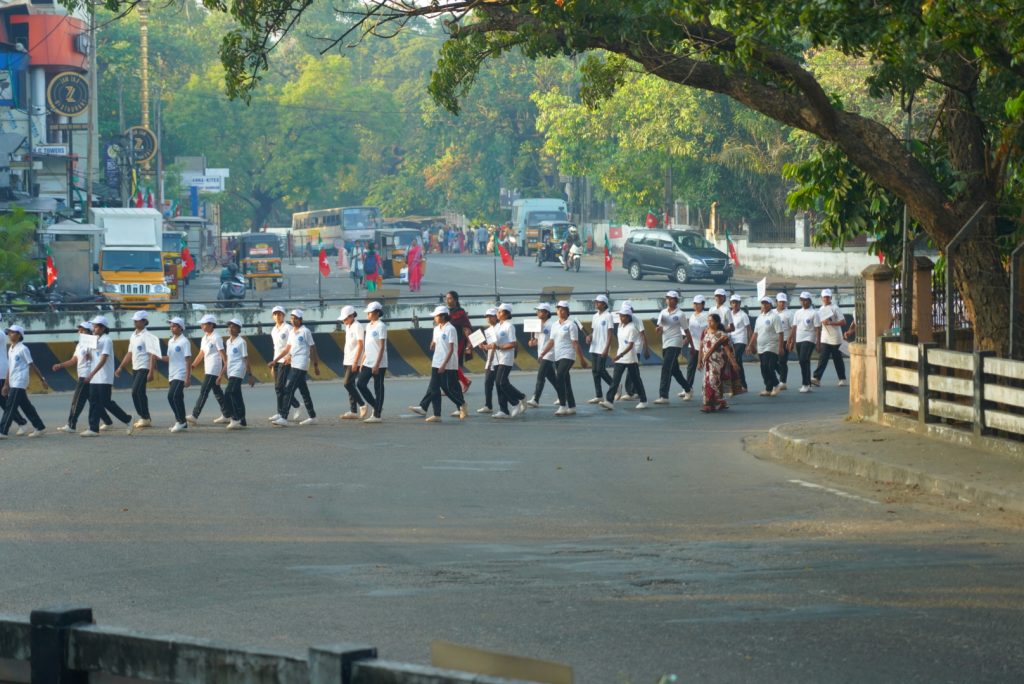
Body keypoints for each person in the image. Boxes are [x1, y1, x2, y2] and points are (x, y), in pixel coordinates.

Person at [53, 322, 112, 433]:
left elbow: (99, 356)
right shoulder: (80, 345)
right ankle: (108, 421)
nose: (79, 331)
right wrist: (60, 365)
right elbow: (73, 360)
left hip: (87, 376)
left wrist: (91, 355)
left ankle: (71, 425)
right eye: (79, 329)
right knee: (93, 401)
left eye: (82, 329)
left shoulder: (95, 343)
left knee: (77, 401)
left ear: (89, 331)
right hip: (83, 375)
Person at [411, 305, 467, 422]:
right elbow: (435, 342)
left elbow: (451, 349)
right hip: (436, 361)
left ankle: (461, 404)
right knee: (434, 388)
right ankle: (437, 414)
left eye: (436, 316)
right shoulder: (436, 329)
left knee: (447, 388)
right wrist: (433, 344)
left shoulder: (450, 329)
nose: (434, 318)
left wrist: (443, 365)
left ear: (443, 316)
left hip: (448, 363)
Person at [81, 316, 135, 438]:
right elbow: (93, 357)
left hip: (104, 377)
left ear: (102, 328)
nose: (93, 328)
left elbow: (103, 359)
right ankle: (93, 428)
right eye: (93, 326)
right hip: (95, 377)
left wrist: (91, 374)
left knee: (106, 402)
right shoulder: (95, 339)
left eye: (95, 326)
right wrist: (88, 355)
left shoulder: (107, 340)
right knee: (93, 402)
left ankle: (128, 419)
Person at [269, 309, 320, 427]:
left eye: (295, 318)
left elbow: (313, 348)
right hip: (294, 363)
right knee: (304, 392)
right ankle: (313, 417)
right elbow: (287, 349)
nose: (292, 320)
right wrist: (275, 361)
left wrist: (316, 365)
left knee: (288, 390)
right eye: (291, 318)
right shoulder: (292, 332)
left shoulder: (305, 331)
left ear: (300, 320)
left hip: (302, 364)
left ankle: (283, 417)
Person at [539, 301, 589, 416]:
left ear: (567, 311)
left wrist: (582, 359)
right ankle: (572, 406)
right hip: (558, 356)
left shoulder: (571, 325)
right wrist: (543, 353)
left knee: (559, 376)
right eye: (558, 309)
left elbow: (575, 343)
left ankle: (562, 405)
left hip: (568, 355)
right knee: (566, 381)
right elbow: (551, 341)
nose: (560, 311)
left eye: (562, 309)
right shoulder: (555, 325)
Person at [0, 324, 47, 439]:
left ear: (19, 335)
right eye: (9, 332)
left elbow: (32, 365)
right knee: (26, 406)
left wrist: (42, 380)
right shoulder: (11, 348)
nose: (9, 335)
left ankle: (3, 431)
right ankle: (40, 427)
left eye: (12, 332)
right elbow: (10, 368)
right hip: (13, 381)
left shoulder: (23, 349)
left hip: (20, 381)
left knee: (10, 406)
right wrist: (6, 384)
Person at [599, 307, 648, 410]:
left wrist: (620, 355)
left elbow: (630, 346)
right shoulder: (620, 326)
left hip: (630, 358)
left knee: (636, 380)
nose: (621, 318)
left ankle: (643, 400)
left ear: (628, 317)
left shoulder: (632, 328)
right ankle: (609, 401)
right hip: (620, 359)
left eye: (623, 316)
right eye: (620, 316)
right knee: (615, 380)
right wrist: (619, 355)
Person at [114, 310, 156, 429]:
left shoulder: (148, 336)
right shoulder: (133, 335)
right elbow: (130, 353)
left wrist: (151, 371)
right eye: (134, 320)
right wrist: (120, 367)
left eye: (137, 321)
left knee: (135, 391)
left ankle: (144, 417)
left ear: (144, 321)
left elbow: (152, 355)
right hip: (135, 367)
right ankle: (145, 418)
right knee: (140, 393)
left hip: (144, 367)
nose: (135, 322)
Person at [189, 314, 230, 425]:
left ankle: (194, 415)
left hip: (214, 368)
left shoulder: (217, 337)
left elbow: (223, 355)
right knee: (217, 392)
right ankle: (227, 414)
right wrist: (193, 365)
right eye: (201, 324)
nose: (202, 326)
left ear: (211, 325)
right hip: (208, 368)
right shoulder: (204, 338)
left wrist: (223, 371)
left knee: (204, 391)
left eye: (204, 324)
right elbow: (201, 353)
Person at [489, 303, 526, 418]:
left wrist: (499, 347)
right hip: (497, 358)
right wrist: (485, 346)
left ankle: (516, 401)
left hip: (506, 357)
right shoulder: (497, 326)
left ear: (506, 314)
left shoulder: (509, 326)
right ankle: (504, 410)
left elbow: (513, 343)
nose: (497, 313)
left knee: (502, 382)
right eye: (497, 311)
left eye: (500, 312)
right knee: (498, 384)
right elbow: (494, 344)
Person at [698, 313, 740, 412]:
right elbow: (701, 346)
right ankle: (719, 402)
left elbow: (728, 350)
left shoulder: (722, 335)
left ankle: (709, 404)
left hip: (718, 362)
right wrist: (699, 361)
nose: (709, 323)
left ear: (717, 323)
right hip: (707, 362)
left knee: (713, 381)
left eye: (711, 321)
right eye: (708, 321)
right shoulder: (705, 332)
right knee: (707, 381)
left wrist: (734, 363)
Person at [654, 290, 690, 404]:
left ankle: (663, 396)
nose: (669, 301)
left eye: (672, 299)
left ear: (676, 301)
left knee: (666, 367)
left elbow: (686, 330)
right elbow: (659, 327)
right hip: (666, 343)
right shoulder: (663, 312)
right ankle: (688, 389)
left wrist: (692, 346)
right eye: (668, 298)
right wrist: (658, 329)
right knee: (674, 370)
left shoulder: (680, 314)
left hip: (675, 343)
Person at [268, 305, 301, 423]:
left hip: (286, 361)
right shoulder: (273, 330)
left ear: (283, 315)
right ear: (273, 316)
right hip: (277, 361)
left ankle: (295, 406)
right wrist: (273, 364)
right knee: (278, 388)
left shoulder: (288, 328)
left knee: (279, 386)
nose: (277, 316)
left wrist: (290, 356)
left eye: (279, 314)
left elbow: (293, 344)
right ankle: (280, 412)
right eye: (275, 314)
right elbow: (275, 348)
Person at [357, 301, 388, 423]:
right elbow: (368, 345)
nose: (367, 314)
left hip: (379, 363)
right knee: (360, 384)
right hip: (368, 361)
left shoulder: (381, 326)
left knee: (378, 388)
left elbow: (382, 347)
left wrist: (377, 364)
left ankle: (377, 415)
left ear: (376, 313)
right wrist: (363, 360)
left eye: (369, 313)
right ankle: (376, 406)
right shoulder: (368, 326)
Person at [748, 296, 785, 397]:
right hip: (761, 347)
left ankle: (776, 384)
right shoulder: (759, 317)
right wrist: (750, 344)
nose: (764, 305)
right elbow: (755, 333)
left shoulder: (774, 317)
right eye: (763, 303)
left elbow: (780, 333)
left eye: (766, 303)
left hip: (772, 346)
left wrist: (780, 347)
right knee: (763, 368)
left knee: (769, 367)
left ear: (770, 305)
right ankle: (768, 388)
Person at [223, 318, 255, 429]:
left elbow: (246, 359)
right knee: (237, 396)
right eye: (229, 326)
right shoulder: (228, 342)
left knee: (228, 393)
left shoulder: (241, 342)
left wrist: (250, 375)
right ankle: (242, 420)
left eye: (233, 327)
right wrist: (222, 373)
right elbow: (228, 359)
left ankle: (235, 418)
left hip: (238, 371)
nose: (231, 329)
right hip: (230, 371)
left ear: (238, 329)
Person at [162, 317, 192, 433]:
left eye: (174, 326)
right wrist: (158, 357)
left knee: (172, 396)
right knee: (178, 398)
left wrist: (187, 378)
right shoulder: (171, 341)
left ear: (181, 328)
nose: (171, 328)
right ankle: (182, 422)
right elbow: (169, 358)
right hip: (172, 374)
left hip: (181, 373)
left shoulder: (184, 342)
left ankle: (181, 421)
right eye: (171, 326)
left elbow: (188, 360)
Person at [813, 288, 848, 387]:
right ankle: (817, 378)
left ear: (831, 298)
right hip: (825, 338)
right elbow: (819, 324)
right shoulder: (820, 309)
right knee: (823, 358)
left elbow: (843, 322)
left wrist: (830, 323)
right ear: (821, 298)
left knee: (837, 359)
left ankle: (842, 379)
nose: (826, 299)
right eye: (824, 297)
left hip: (836, 338)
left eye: (828, 297)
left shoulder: (835, 308)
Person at [338, 305, 367, 420]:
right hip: (347, 359)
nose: (343, 321)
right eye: (343, 319)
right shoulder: (348, 326)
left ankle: (362, 404)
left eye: (345, 319)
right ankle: (353, 411)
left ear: (351, 316)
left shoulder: (358, 326)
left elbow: (360, 345)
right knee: (351, 385)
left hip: (354, 360)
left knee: (347, 383)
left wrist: (356, 361)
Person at [0, 314, 27, 436]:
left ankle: (21, 422)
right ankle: (22, 422)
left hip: (1, 371)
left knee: (4, 401)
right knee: (7, 401)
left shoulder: (0, 334)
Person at [527, 303, 556, 408]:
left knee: (541, 376)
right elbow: (537, 340)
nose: (537, 313)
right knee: (552, 378)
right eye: (537, 311)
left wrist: (544, 352)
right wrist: (532, 342)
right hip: (541, 354)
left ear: (546, 313)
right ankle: (564, 394)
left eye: (540, 311)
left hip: (549, 354)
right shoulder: (537, 325)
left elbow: (553, 340)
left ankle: (535, 399)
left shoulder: (552, 325)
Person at [587, 294, 614, 404]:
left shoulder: (608, 316)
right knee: (595, 371)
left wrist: (606, 348)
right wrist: (589, 337)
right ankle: (599, 395)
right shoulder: (595, 316)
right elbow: (594, 332)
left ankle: (615, 386)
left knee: (600, 370)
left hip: (603, 347)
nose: (596, 304)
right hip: (594, 346)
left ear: (604, 304)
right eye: (596, 302)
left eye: (598, 302)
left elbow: (610, 333)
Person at [793, 291, 822, 393]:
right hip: (799, 339)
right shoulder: (797, 312)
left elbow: (818, 328)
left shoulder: (814, 313)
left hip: (809, 338)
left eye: (806, 300)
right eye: (802, 300)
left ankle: (805, 383)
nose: (804, 302)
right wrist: (791, 340)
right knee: (804, 362)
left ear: (810, 301)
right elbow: (794, 327)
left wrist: (818, 342)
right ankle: (807, 384)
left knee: (803, 360)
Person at [446, 291, 473, 393]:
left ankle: (461, 383)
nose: (447, 300)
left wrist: (469, 344)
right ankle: (463, 382)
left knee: (452, 363)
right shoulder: (447, 312)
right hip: (449, 341)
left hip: (458, 340)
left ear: (455, 300)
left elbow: (467, 328)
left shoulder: (460, 312)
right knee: (451, 363)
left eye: (450, 298)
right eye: (446, 298)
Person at [683, 295, 709, 397]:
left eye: (698, 304)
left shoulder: (705, 315)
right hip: (693, 345)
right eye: (695, 303)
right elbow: (690, 332)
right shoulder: (692, 316)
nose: (696, 305)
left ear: (703, 304)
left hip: (704, 346)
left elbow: (707, 331)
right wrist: (685, 341)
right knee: (690, 367)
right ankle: (688, 388)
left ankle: (708, 389)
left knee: (706, 368)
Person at [476, 307, 500, 414]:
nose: (488, 318)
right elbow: (491, 346)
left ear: (496, 317)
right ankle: (488, 405)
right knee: (488, 383)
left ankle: (518, 399)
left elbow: (495, 345)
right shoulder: (488, 330)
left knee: (501, 384)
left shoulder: (499, 328)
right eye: (487, 316)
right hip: (491, 359)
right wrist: (483, 346)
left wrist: (486, 347)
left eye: (491, 316)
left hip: (499, 360)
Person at [728, 295, 751, 391]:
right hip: (731, 340)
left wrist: (749, 344)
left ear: (740, 304)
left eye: (737, 302)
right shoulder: (729, 314)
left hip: (741, 340)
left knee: (736, 359)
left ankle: (742, 384)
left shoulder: (743, 315)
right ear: (731, 304)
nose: (735, 304)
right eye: (733, 302)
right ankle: (741, 384)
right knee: (736, 362)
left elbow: (749, 329)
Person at [775, 293, 795, 390]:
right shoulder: (772, 312)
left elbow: (792, 328)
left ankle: (783, 382)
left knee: (782, 361)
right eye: (780, 302)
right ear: (776, 302)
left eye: (784, 302)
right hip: (774, 341)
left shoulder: (789, 313)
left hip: (785, 340)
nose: (782, 303)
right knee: (773, 362)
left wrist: (791, 341)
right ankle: (782, 374)